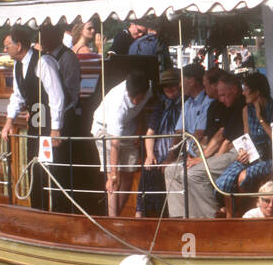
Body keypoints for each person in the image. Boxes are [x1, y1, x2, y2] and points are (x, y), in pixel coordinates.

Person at [0, 25, 66, 210]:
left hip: (49, 118)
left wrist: (55, 128)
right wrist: (8, 122)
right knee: (34, 164)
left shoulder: (43, 62)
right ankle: (39, 209)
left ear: (19, 45)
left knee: (51, 166)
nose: (5, 50)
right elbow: (18, 96)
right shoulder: (18, 66)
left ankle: (58, 211)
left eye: (7, 46)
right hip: (36, 117)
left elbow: (56, 96)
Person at [164, 73, 245, 218]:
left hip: (236, 151)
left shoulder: (241, 106)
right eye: (220, 96)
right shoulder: (219, 105)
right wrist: (200, 156)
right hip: (215, 151)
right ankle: (180, 217)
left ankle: (210, 217)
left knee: (192, 174)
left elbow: (226, 140)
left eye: (224, 95)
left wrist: (203, 160)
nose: (221, 99)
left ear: (234, 89)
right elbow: (216, 136)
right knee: (171, 170)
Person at [215, 72, 273, 209]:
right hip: (253, 156)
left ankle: (243, 209)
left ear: (257, 92)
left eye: (246, 89)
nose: (243, 93)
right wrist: (242, 152)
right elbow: (247, 138)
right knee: (223, 182)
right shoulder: (246, 110)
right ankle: (230, 217)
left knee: (243, 177)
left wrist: (260, 117)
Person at [91, 70, 151, 218]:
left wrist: (139, 129)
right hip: (105, 129)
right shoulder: (118, 105)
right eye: (132, 99)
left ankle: (116, 217)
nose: (135, 102)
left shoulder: (148, 88)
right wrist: (112, 175)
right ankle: (113, 221)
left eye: (139, 98)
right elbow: (115, 144)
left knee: (129, 173)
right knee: (114, 177)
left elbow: (142, 108)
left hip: (129, 127)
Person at [38, 21, 81, 209]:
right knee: (49, 161)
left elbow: (70, 91)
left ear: (55, 37)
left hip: (66, 115)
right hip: (51, 114)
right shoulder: (46, 58)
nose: (42, 40)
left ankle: (63, 206)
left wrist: (59, 123)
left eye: (45, 36)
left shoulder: (67, 58)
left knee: (61, 162)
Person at [140, 68, 184, 216]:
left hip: (178, 151)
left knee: (167, 170)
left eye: (172, 85)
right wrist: (149, 154)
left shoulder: (185, 104)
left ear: (179, 85)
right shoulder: (161, 106)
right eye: (166, 86)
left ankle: (168, 214)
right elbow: (150, 132)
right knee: (148, 168)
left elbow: (181, 133)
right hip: (160, 152)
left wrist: (169, 158)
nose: (169, 89)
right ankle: (143, 213)